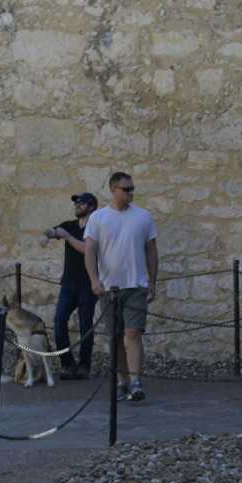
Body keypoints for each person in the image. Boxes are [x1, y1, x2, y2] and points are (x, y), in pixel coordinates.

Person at [84, 170, 158, 402]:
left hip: (136, 285)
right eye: (126, 189)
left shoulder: (143, 217)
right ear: (113, 190)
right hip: (109, 288)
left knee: (133, 334)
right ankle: (122, 380)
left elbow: (151, 249)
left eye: (132, 188)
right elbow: (90, 250)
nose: (131, 193)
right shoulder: (98, 218)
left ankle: (136, 382)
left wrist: (153, 281)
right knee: (116, 337)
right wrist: (94, 280)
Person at [44, 192, 98, 379]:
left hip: (88, 284)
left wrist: (66, 236)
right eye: (76, 202)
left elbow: (85, 249)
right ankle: (67, 364)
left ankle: (84, 366)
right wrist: (48, 235)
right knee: (59, 321)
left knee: (86, 325)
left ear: (91, 206)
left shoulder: (96, 228)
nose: (77, 205)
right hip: (68, 284)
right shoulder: (69, 226)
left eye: (81, 203)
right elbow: (53, 231)